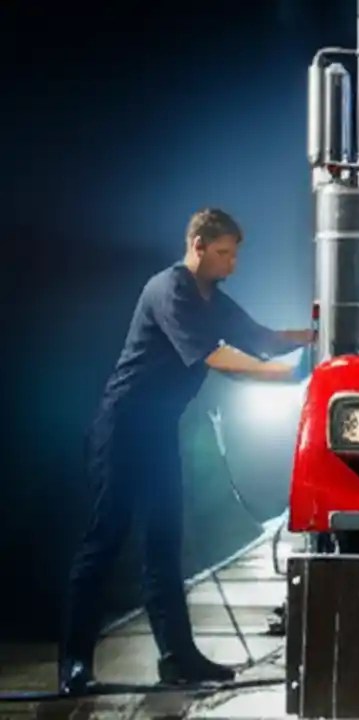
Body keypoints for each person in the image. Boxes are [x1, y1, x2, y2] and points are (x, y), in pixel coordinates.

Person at [59, 208, 312, 695]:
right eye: (224, 253)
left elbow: (261, 339)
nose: (232, 263)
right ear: (197, 245)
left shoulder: (212, 299)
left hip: (156, 434)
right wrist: (292, 374)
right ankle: (73, 664)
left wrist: (321, 336)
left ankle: (178, 659)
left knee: (163, 545)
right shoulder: (170, 290)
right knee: (104, 541)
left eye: (235, 254)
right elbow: (218, 359)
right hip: (121, 429)